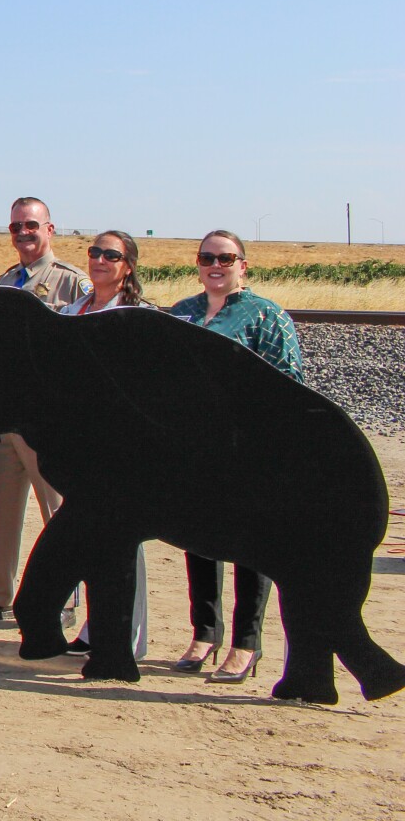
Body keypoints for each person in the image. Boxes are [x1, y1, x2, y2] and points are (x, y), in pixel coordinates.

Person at [169, 230, 303, 685]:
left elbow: (287, 385)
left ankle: (246, 643)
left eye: (226, 257)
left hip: (249, 450)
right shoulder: (183, 313)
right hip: (194, 449)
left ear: (243, 265)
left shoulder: (267, 315)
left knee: (250, 547)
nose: (216, 264)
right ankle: (204, 633)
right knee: (199, 542)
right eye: (207, 257)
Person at [0, 197, 92, 627]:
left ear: (50, 229)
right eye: (15, 228)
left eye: (31, 226)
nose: (23, 234)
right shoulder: (3, 282)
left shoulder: (71, 284)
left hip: (48, 422)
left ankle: (62, 598)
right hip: (5, 419)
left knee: (59, 512)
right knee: (1, 511)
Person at [59, 231, 152, 661]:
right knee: (90, 538)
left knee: (122, 542)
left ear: (127, 266)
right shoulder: (72, 310)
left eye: (110, 255)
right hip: (79, 444)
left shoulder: (139, 316)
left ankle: (125, 636)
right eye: (94, 252)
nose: (99, 260)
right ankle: (95, 627)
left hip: (122, 448)